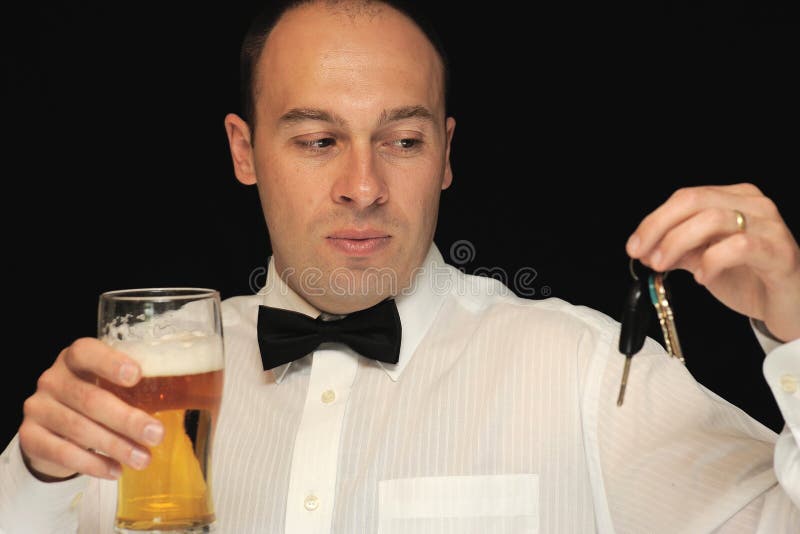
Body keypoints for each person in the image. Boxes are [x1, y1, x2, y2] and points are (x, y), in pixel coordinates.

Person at [2, 1, 799, 532]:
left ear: (447, 154)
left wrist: (796, 328)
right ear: (245, 152)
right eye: (318, 140)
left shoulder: (588, 371)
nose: (363, 185)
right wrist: (33, 480)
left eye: (404, 141)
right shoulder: (132, 387)